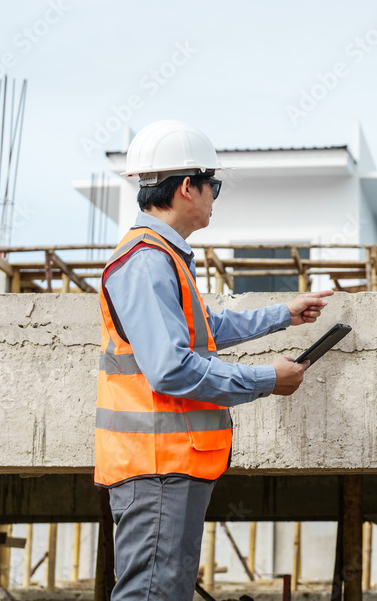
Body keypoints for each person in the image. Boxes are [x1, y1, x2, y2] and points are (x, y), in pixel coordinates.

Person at [94, 120, 334, 600]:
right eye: (213, 186)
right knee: (153, 593)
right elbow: (171, 369)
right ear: (187, 187)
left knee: (167, 589)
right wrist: (267, 380)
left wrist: (281, 315)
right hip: (158, 463)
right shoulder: (147, 261)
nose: (214, 198)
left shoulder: (165, 256)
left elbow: (203, 331)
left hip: (169, 462)